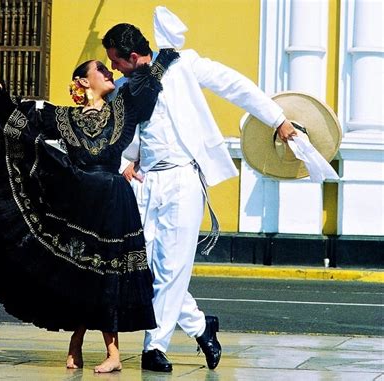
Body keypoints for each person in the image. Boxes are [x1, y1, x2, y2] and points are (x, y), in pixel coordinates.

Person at [0, 50, 179, 373]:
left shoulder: (122, 110)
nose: (108, 72)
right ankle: (76, 344)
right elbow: (19, 122)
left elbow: (146, 90)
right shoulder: (64, 117)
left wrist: (162, 60)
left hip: (115, 203)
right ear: (84, 81)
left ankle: (113, 354)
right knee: (81, 274)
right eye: (101, 68)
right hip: (80, 199)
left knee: (109, 274)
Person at [101, 7, 297, 372]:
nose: (114, 71)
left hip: (183, 178)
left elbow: (234, 85)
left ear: (132, 55)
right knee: (144, 269)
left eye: (117, 62)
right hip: (145, 181)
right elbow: (115, 139)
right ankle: (200, 325)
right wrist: (122, 164)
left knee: (173, 268)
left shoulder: (181, 65)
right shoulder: (126, 90)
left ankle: (153, 346)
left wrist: (278, 118)